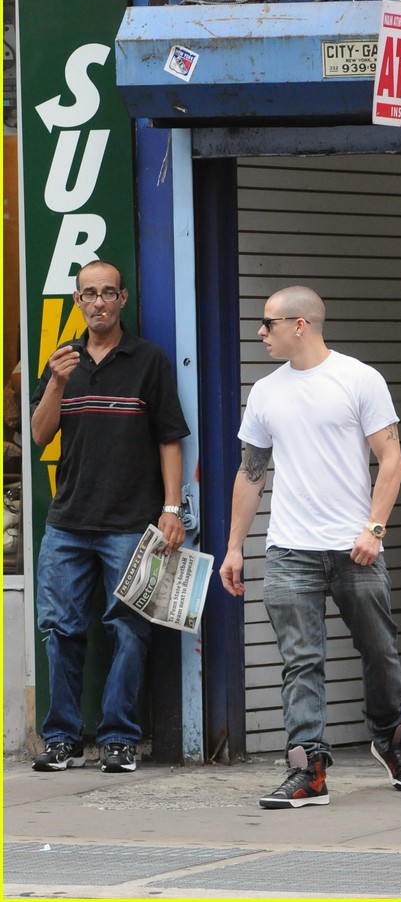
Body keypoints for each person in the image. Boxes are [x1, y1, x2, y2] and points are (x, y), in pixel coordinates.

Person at [218, 285, 401, 809]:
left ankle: (392, 739)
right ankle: (308, 769)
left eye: (269, 324)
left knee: (380, 651)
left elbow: (392, 459)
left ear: (300, 325)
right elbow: (251, 473)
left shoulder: (359, 379)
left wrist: (374, 530)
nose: (261, 333)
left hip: (355, 546)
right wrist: (235, 547)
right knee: (300, 662)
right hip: (290, 549)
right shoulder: (266, 391)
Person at [30, 260, 189, 774]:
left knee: (129, 629)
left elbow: (169, 438)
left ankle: (119, 738)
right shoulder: (61, 361)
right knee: (60, 630)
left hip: (129, 524)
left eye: (107, 293)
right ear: (77, 301)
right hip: (67, 523)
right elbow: (39, 435)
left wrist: (171, 509)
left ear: (122, 299)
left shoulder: (149, 360)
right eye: (88, 294)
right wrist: (55, 383)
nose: (98, 302)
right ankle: (61, 738)